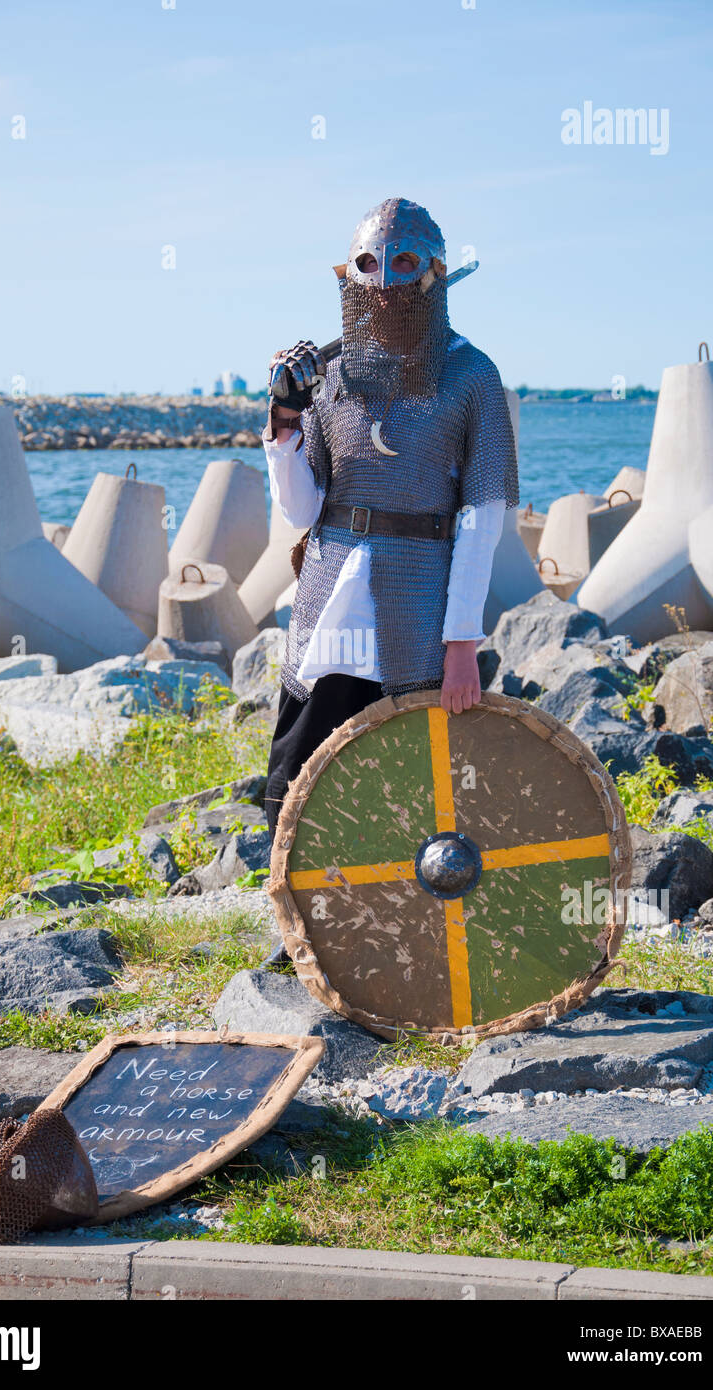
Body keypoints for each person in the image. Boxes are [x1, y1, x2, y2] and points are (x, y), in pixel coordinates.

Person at [261, 198, 519, 961]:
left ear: (435, 273)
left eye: (404, 262)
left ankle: (402, 945)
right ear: (350, 273)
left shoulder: (470, 375)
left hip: (417, 607)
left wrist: (461, 641)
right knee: (300, 773)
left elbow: (480, 515)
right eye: (370, 263)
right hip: (330, 601)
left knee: (415, 786)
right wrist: (281, 423)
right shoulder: (331, 375)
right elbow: (303, 506)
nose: (384, 280)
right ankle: (299, 934)